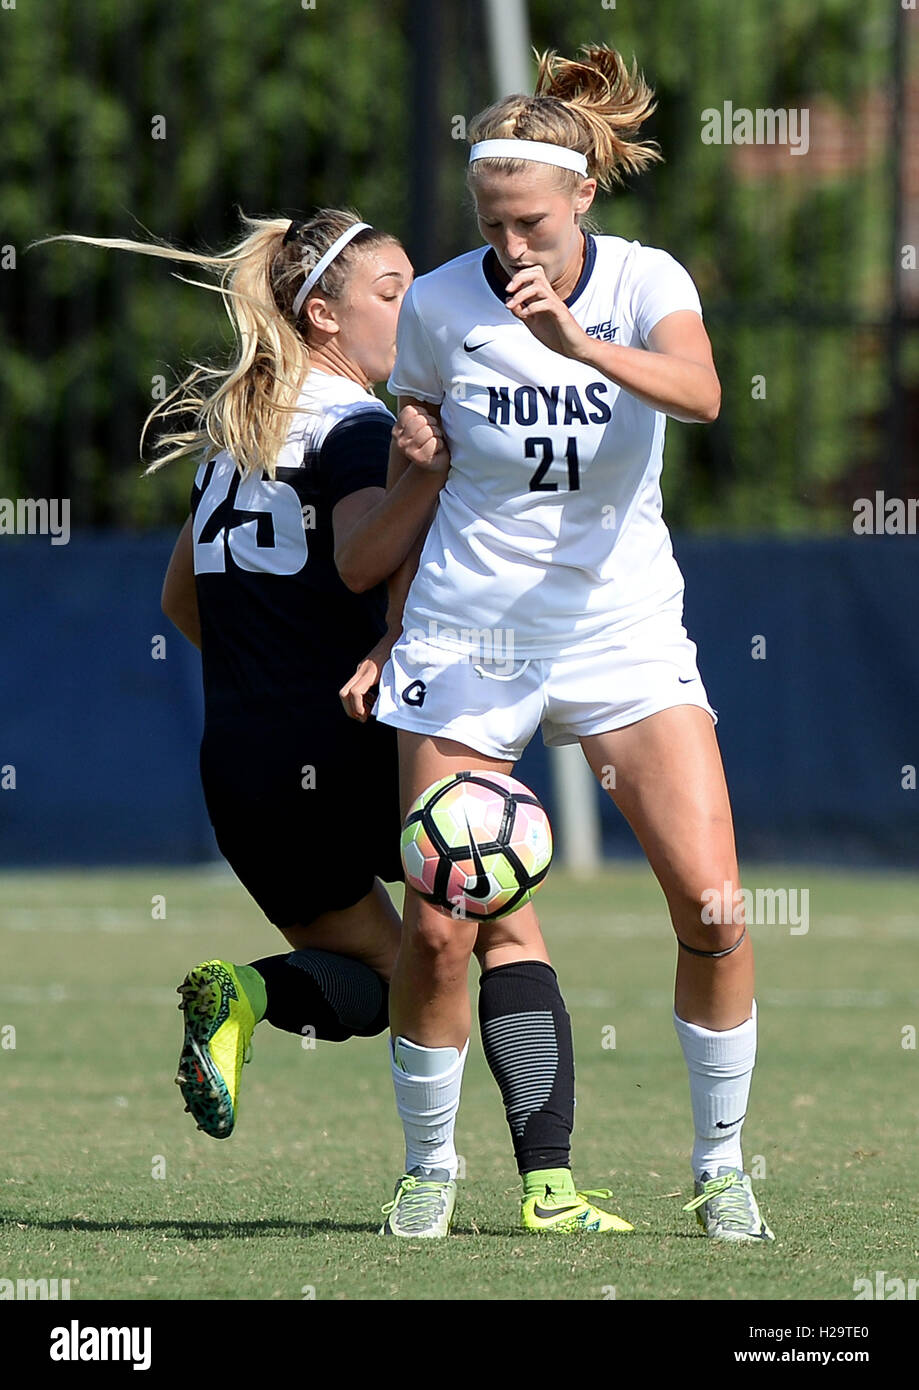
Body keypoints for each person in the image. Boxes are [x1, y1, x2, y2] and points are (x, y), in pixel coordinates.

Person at [40, 210, 624, 1235]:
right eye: (392, 292)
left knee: (392, 975)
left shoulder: (241, 434)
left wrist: (270, 678)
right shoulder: (356, 431)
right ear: (323, 314)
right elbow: (361, 556)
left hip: (242, 766)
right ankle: (549, 1188)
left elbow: (183, 599)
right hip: (350, 742)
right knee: (504, 931)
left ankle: (248, 993)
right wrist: (431, 475)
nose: (417, 307)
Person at [346, 44, 774, 1243]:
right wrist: (391, 637)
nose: (510, 245)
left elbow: (699, 393)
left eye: (529, 219)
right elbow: (407, 473)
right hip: (466, 631)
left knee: (716, 906)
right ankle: (429, 1166)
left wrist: (578, 345)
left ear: (583, 193)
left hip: (621, 628)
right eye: (492, 221)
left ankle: (719, 1165)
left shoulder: (644, 280)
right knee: (439, 918)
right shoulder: (436, 303)